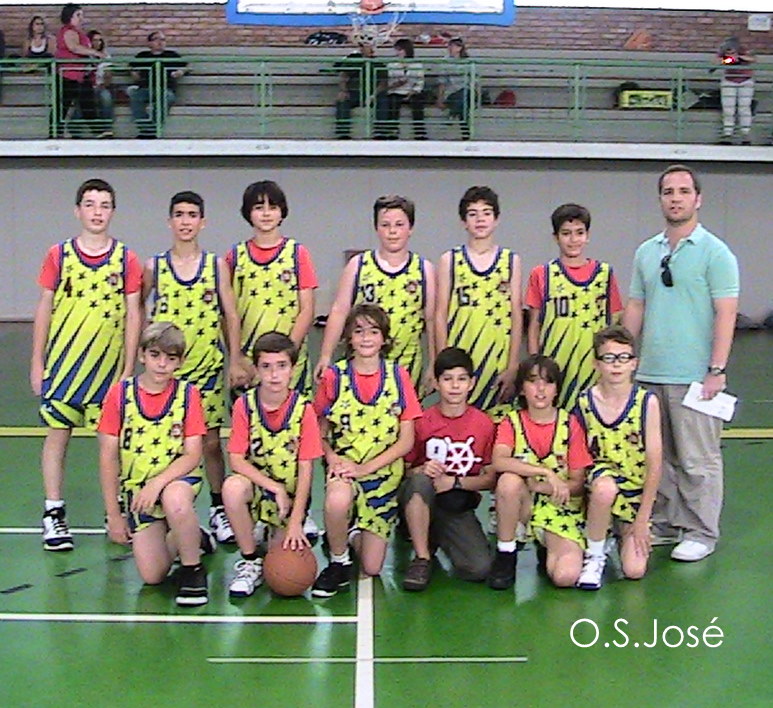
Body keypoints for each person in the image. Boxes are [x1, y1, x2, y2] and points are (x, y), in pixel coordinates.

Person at [623, 164, 739, 562]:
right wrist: (621, 355)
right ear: (660, 200)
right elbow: (636, 306)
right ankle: (668, 523)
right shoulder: (646, 252)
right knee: (660, 456)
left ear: (698, 199)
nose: (676, 198)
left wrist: (716, 369)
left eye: (683, 191)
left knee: (697, 459)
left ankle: (701, 531)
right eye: (668, 191)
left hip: (694, 377)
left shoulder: (715, 253)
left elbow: (726, 312)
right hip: (650, 373)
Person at [31, 178, 142, 552]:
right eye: (90, 204)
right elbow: (45, 307)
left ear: (113, 211)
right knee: (56, 436)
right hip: (64, 367)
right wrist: (37, 360)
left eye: (104, 205)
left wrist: (128, 369)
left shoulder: (126, 258)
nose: (97, 212)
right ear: (78, 210)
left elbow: (133, 316)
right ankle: (53, 511)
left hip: (107, 373)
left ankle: (116, 510)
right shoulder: (58, 254)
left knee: (110, 444)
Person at [143, 191, 249, 545]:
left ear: (202, 222)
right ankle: (167, 508)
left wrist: (235, 358)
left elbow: (230, 314)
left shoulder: (215, 265)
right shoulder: (154, 266)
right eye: (179, 214)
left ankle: (219, 508)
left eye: (192, 215)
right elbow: (138, 310)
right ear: (169, 221)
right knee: (169, 443)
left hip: (206, 366)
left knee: (210, 443)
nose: (185, 221)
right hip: (167, 373)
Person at [99, 322, 214, 607]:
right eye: (155, 355)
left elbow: (192, 455)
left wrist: (157, 483)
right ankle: (191, 535)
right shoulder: (119, 395)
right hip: (138, 490)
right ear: (141, 356)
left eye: (171, 358)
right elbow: (108, 456)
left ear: (180, 361)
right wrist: (114, 514)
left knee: (175, 500)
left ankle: (193, 570)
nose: (162, 365)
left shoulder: (188, 395)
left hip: (177, 479)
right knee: (152, 575)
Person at [312, 304, 421, 597]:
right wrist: (333, 457)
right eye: (358, 331)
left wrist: (366, 468)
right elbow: (316, 430)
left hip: (382, 474)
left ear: (384, 338)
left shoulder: (399, 376)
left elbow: (406, 440)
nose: (365, 338)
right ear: (349, 337)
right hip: (345, 467)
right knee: (336, 500)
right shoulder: (335, 377)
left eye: (373, 331)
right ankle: (338, 561)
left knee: (372, 567)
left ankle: (350, 533)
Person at [224, 332, 323, 597]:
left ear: (292, 368)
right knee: (232, 488)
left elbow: (306, 470)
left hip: (290, 498)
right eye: (266, 367)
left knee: (286, 564)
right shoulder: (245, 405)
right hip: (259, 489)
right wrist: (272, 487)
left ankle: (274, 528)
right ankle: (250, 559)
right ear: (256, 370)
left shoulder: (304, 410)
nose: (274, 375)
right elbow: (236, 459)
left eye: (281, 366)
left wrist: (295, 522)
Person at [314, 194, 436, 395]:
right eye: (385, 225)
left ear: (411, 228)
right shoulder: (358, 266)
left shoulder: (424, 270)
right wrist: (325, 355)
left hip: (407, 366)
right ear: (376, 228)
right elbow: (339, 311)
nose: (392, 231)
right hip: (362, 365)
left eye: (399, 224)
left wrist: (434, 363)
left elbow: (431, 321)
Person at [490, 355, 593, 589]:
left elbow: (577, 483)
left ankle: (550, 550)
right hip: (524, 507)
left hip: (559, 508)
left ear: (557, 389)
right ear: (522, 389)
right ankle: (506, 554)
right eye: (533, 381)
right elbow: (499, 460)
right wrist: (546, 472)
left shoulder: (570, 424)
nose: (540, 389)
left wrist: (540, 485)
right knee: (508, 482)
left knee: (565, 577)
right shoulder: (511, 421)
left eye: (548, 382)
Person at [573, 325, 662, 589]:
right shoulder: (585, 402)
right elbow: (578, 456)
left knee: (634, 570)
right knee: (604, 488)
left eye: (623, 358)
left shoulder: (647, 402)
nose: (616, 365)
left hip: (634, 490)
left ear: (634, 363)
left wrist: (643, 518)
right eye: (609, 358)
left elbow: (655, 464)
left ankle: (620, 530)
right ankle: (595, 554)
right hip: (601, 483)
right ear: (596, 363)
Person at [400, 347, 495, 591]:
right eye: (447, 379)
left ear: (472, 383)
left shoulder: (484, 424)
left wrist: (454, 483)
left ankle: (437, 533)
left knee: (479, 569)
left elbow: (490, 478)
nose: (455, 386)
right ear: (437, 382)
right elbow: (404, 471)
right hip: (423, 495)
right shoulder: (421, 421)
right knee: (419, 482)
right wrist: (422, 469)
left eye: (461, 379)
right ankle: (422, 557)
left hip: (456, 503)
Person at [525, 203, 623, 411]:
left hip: (593, 370)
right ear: (556, 237)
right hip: (555, 370)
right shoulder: (542, 274)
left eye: (579, 233)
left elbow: (614, 321)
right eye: (566, 233)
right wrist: (536, 365)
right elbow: (534, 324)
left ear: (588, 236)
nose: (573, 239)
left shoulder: (604, 274)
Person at [435, 185, 522, 419]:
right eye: (473, 214)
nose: (480, 219)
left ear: (496, 219)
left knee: (495, 432)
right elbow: (440, 314)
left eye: (486, 213)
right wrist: (442, 360)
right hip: (460, 360)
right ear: (464, 221)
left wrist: (513, 365)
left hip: (496, 361)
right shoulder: (450, 260)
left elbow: (516, 315)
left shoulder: (511, 261)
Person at [226, 180, 317, 396]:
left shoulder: (297, 254)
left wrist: (287, 355)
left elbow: (307, 309)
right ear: (248, 213)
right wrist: (237, 356)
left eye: (272, 207)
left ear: (282, 213)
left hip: (291, 360)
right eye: (259, 208)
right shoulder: (235, 256)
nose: (266, 214)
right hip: (249, 362)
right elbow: (227, 313)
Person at [53, 3, 104, 138]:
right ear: (69, 16)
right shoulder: (68, 31)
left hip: (81, 75)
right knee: (63, 106)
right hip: (69, 75)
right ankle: (54, 133)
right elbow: (74, 47)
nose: (81, 18)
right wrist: (96, 53)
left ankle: (98, 131)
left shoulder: (77, 32)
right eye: (78, 15)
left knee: (88, 104)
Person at [128, 30, 187, 138]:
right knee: (135, 97)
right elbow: (131, 67)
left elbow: (185, 66)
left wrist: (181, 72)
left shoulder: (172, 55)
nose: (160, 42)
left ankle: (149, 132)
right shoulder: (142, 55)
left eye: (163, 40)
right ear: (149, 43)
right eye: (157, 39)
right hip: (145, 88)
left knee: (166, 98)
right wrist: (133, 72)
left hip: (165, 89)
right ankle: (148, 130)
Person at [375, 38, 426, 140]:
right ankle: (393, 131)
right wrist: (397, 84)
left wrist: (413, 91)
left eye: (400, 50)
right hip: (396, 91)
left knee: (418, 102)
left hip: (412, 91)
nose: (398, 52)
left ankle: (420, 132)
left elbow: (420, 81)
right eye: (397, 50)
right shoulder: (392, 65)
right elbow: (389, 82)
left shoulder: (417, 65)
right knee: (393, 102)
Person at [716, 36, 755, 146]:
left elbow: (752, 59)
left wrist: (739, 57)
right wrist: (730, 59)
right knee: (728, 109)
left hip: (745, 81)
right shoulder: (722, 51)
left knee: (744, 108)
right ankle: (727, 133)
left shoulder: (745, 50)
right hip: (729, 80)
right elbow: (717, 61)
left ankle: (745, 134)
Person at [334, 41, 377, 139]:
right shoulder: (354, 60)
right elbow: (344, 76)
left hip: (372, 93)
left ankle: (381, 132)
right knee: (342, 101)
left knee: (384, 101)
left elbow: (383, 82)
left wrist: (374, 94)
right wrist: (343, 91)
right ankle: (343, 133)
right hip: (355, 93)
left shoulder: (378, 63)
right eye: (364, 46)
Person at [436, 36, 471, 140]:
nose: (450, 49)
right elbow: (442, 82)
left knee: (465, 95)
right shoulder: (445, 62)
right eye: (449, 46)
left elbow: (474, 80)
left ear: (460, 48)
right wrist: (440, 98)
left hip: (468, 92)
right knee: (463, 105)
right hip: (452, 93)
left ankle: (452, 114)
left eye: (453, 46)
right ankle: (466, 134)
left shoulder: (468, 62)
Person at [86, 30, 114, 138]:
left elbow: (108, 75)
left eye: (99, 40)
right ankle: (74, 129)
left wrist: (103, 84)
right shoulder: (84, 55)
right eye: (94, 40)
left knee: (105, 96)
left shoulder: (105, 56)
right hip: (87, 85)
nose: (97, 43)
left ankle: (107, 129)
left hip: (101, 85)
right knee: (83, 96)